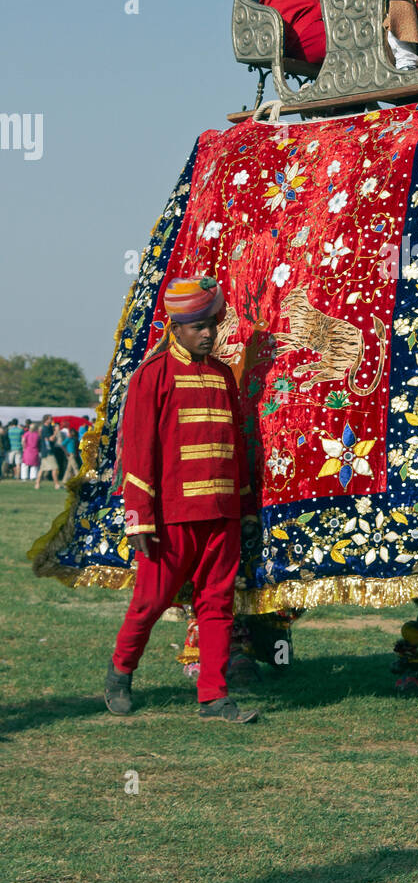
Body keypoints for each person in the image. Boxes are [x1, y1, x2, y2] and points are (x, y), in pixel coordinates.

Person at [104, 276, 259, 723]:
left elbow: (236, 445)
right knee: (149, 603)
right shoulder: (152, 377)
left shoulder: (223, 374)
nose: (208, 333)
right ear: (177, 327)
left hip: (222, 514)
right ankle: (121, 671)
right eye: (199, 327)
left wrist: (244, 506)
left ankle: (214, 695)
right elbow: (138, 453)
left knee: (217, 604)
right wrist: (139, 519)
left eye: (212, 323)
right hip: (172, 519)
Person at [35, 419, 61, 490]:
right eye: (50, 419)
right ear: (46, 420)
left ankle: (37, 484)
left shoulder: (46, 428)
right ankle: (56, 484)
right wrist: (56, 431)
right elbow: (51, 439)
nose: (51, 420)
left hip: (45, 451)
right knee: (55, 468)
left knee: (42, 469)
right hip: (48, 452)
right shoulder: (46, 429)